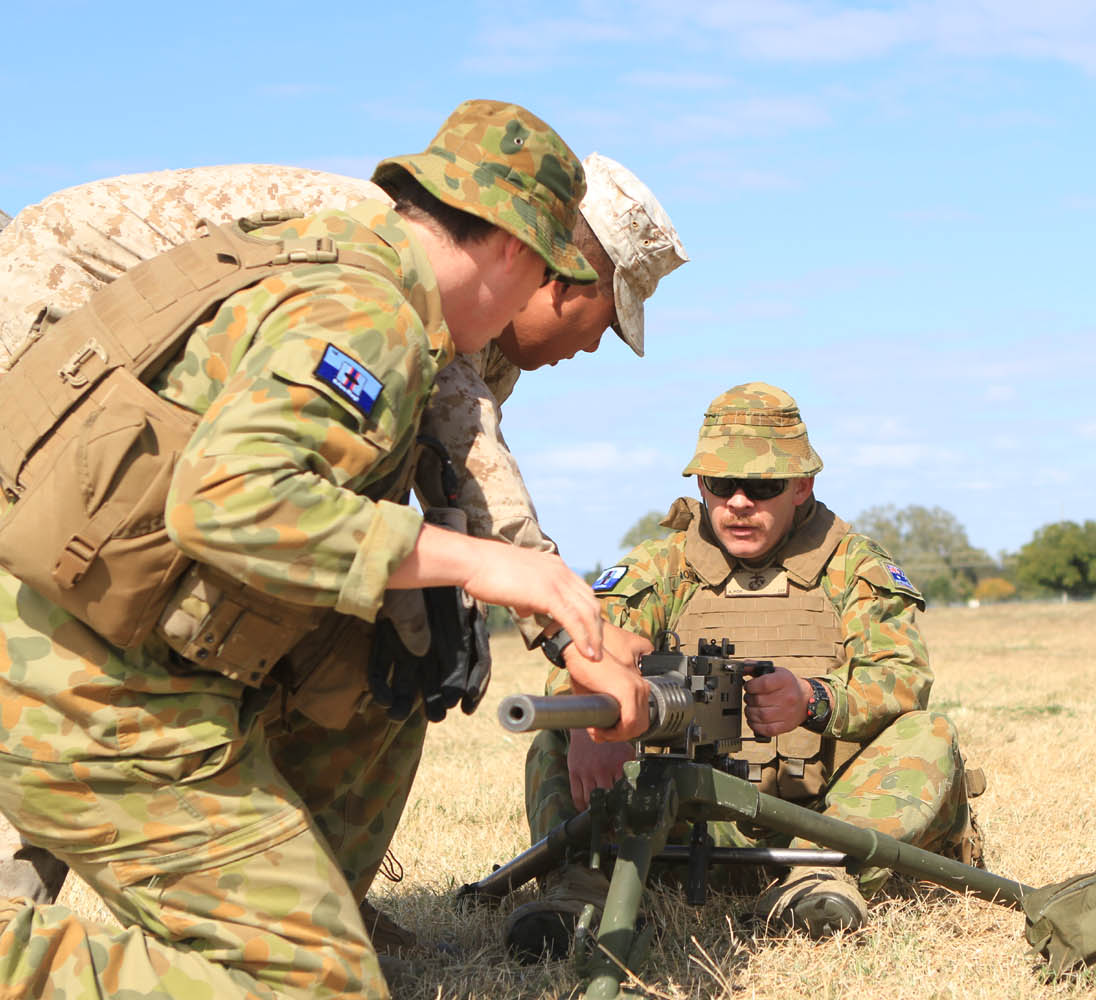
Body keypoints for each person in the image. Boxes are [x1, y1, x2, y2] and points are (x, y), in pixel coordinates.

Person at [0, 99, 653, 1000]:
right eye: (547, 270)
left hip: (104, 638)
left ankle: (297, 899)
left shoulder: (371, 271)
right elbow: (228, 498)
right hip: (84, 666)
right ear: (513, 250)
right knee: (319, 987)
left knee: (397, 642)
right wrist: (484, 565)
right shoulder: (368, 304)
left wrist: (544, 613)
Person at [507, 382, 984, 958]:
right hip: (679, 820)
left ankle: (818, 881)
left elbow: (902, 679)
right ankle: (581, 886)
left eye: (761, 486)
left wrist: (814, 699)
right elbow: (584, 645)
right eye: (719, 485)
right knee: (558, 731)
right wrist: (589, 722)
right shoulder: (662, 566)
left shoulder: (853, 569)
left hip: (814, 821)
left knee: (929, 735)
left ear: (802, 485)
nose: (737, 503)